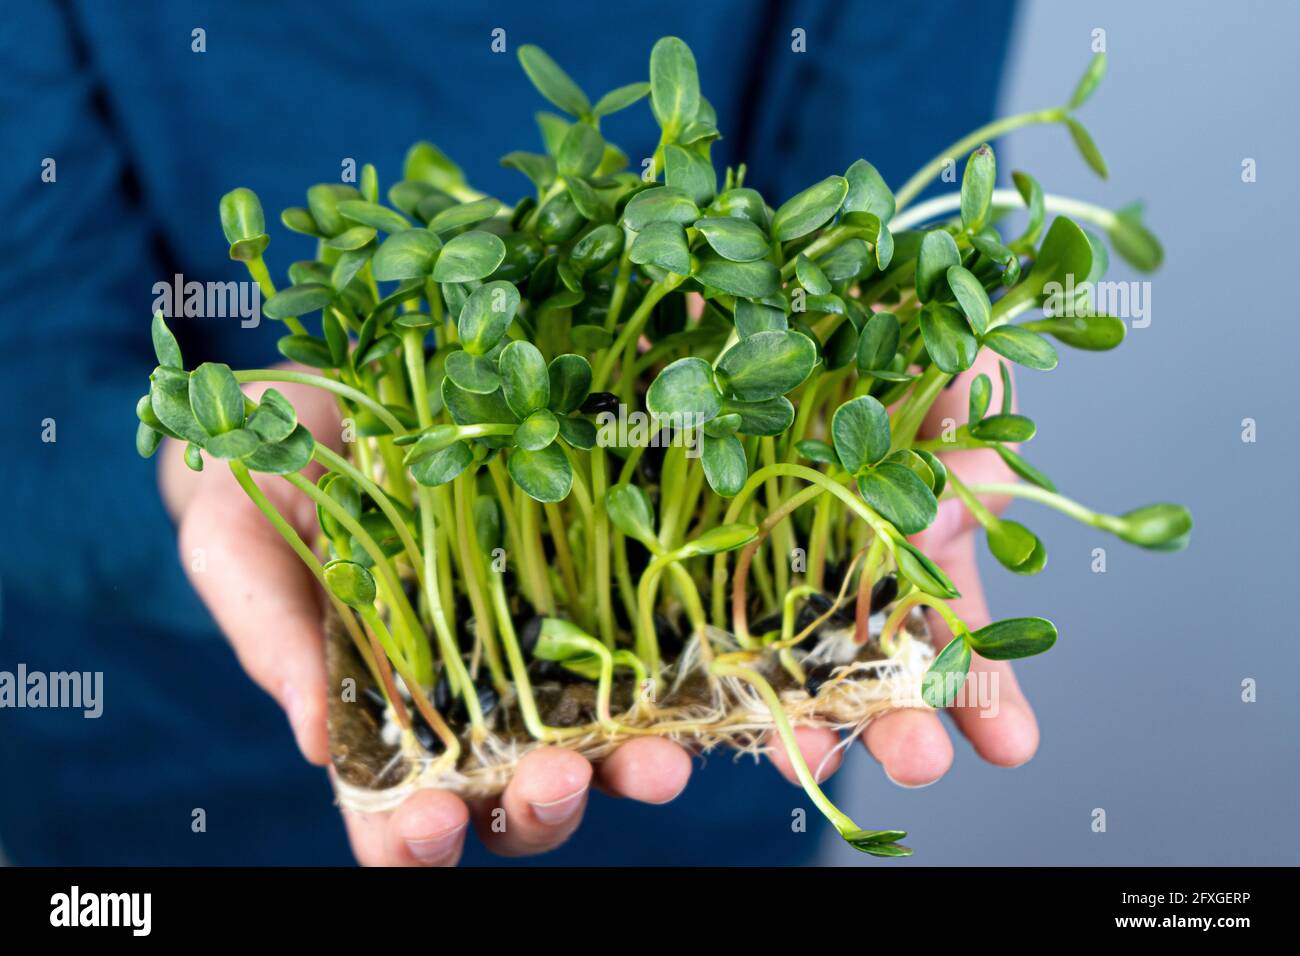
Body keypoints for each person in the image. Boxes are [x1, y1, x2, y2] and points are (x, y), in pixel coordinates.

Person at [0, 0, 1028, 866]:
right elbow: (27, 339)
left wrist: (892, 337)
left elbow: (871, 211)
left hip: (727, 768)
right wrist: (199, 471)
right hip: (150, 763)